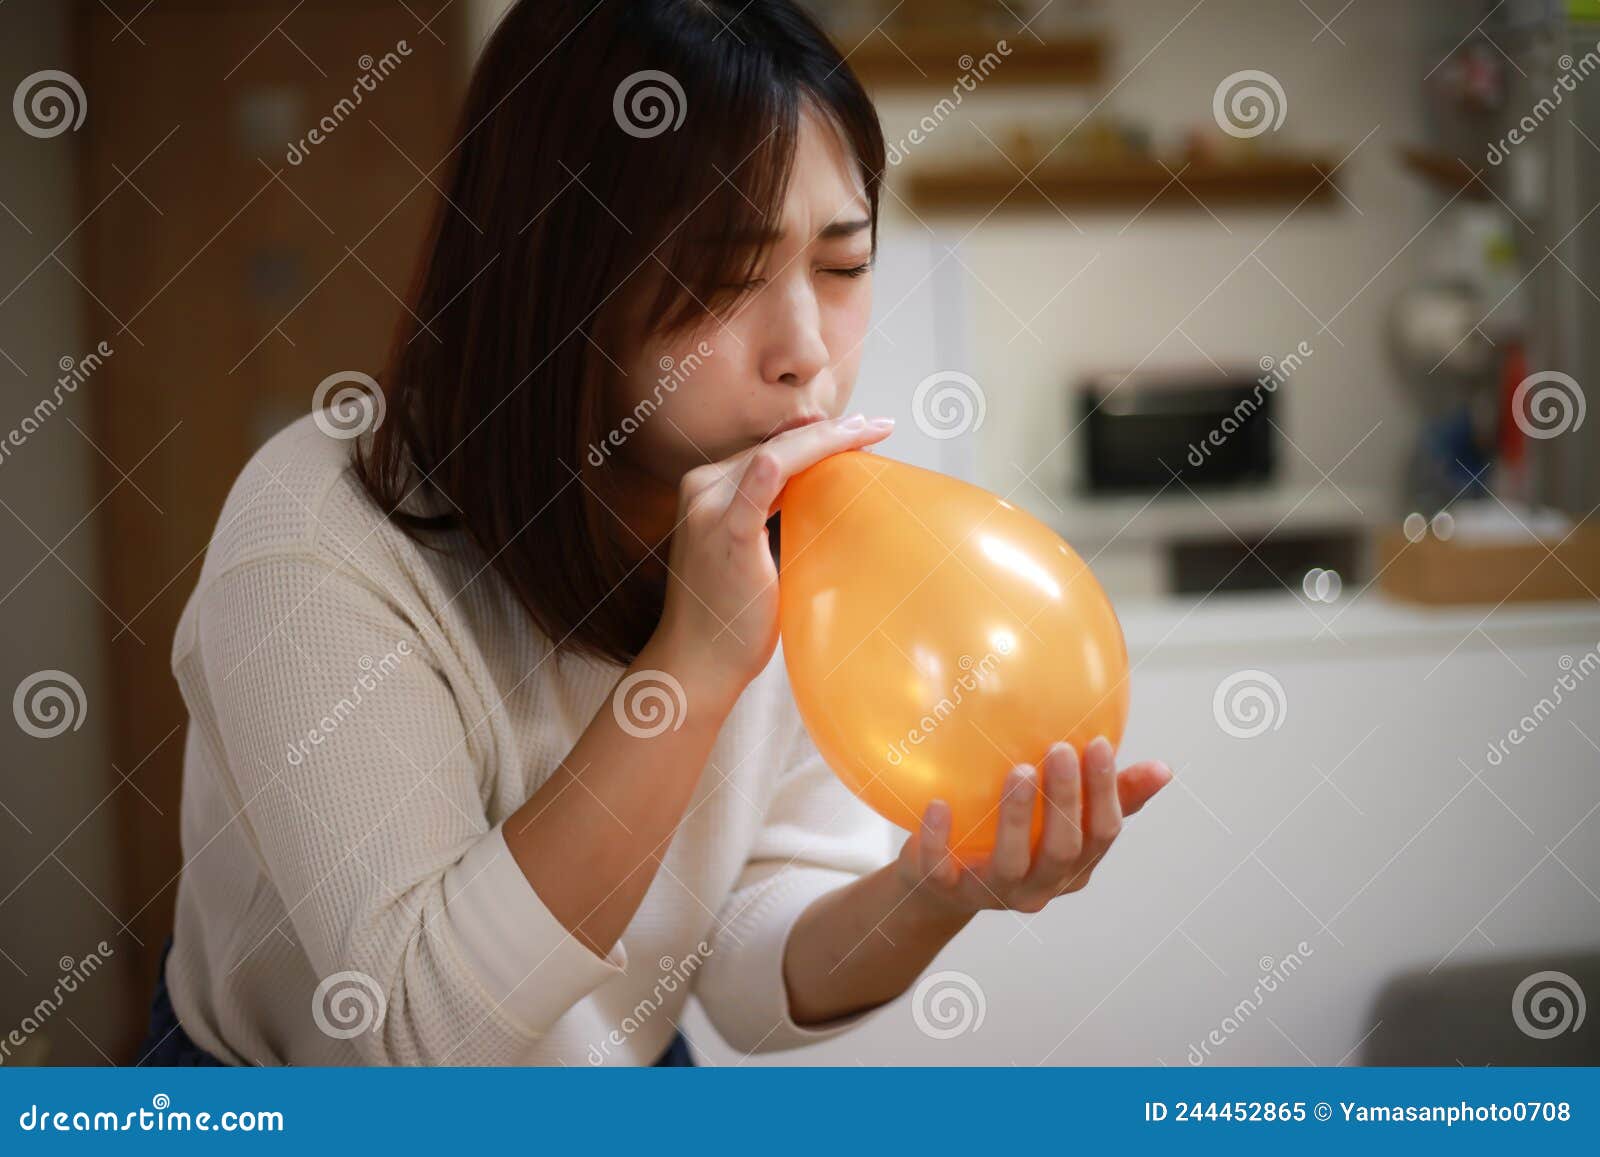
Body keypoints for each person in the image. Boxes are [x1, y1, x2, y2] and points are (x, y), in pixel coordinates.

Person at [139, 0, 1173, 1067]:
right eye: (724, 278)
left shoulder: (805, 532)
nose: (805, 352)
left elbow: (740, 969)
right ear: (554, 273)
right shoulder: (322, 531)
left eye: (844, 263)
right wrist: (689, 668)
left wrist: (932, 889)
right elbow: (417, 1031)